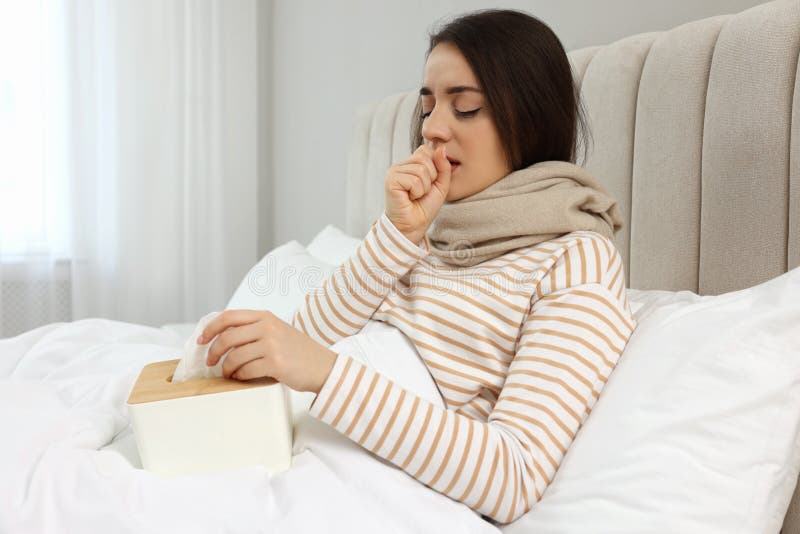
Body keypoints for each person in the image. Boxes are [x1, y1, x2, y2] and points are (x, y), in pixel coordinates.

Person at [198, 8, 637, 525]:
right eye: (427, 107)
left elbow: (514, 474)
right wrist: (397, 236)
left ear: (530, 116)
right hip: (302, 440)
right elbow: (306, 341)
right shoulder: (431, 232)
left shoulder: (575, 258)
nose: (432, 128)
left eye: (466, 107)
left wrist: (323, 371)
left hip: (378, 487)